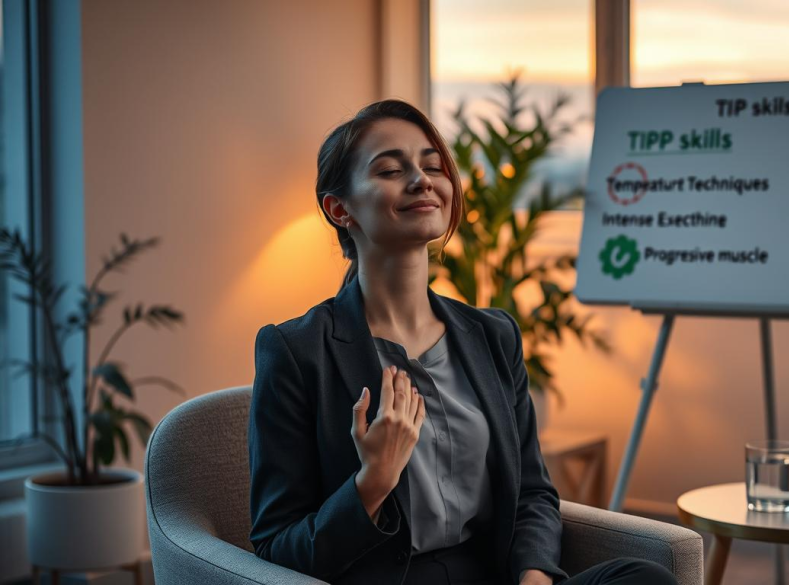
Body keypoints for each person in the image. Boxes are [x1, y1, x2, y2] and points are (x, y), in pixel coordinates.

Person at [248, 99, 677, 585]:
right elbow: (274, 546)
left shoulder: (493, 336)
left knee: (644, 577)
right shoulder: (297, 351)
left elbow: (532, 495)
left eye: (433, 166)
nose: (421, 179)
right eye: (391, 169)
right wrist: (372, 483)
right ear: (339, 208)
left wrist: (534, 577)